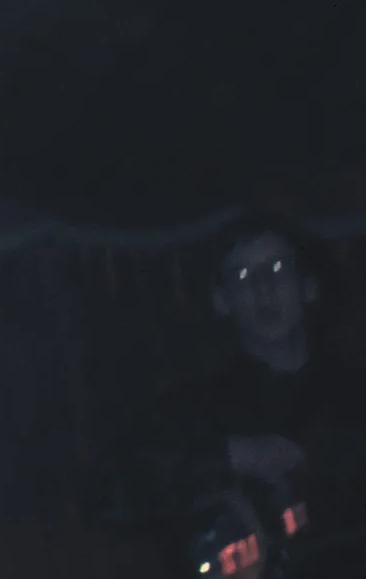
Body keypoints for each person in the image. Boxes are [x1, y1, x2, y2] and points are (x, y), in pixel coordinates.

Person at [90, 213, 366, 575]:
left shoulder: (354, 394)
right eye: (243, 276)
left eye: (278, 268)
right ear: (222, 300)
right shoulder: (196, 409)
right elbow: (110, 494)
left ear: (308, 287)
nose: (263, 288)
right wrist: (232, 457)